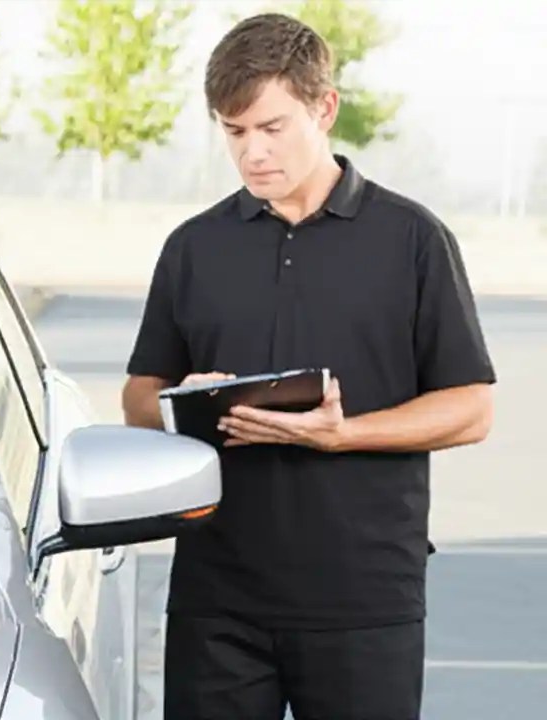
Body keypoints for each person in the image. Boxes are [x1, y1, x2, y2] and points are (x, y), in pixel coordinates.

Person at [121, 13, 496, 720]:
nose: (253, 153)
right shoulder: (193, 247)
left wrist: (343, 435)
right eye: (234, 132)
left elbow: (472, 408)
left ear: (324, 108)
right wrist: (181, 401)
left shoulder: (413, 239)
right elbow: (139, 396)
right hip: (216, 597)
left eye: (272, 127)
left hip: (364, 599)